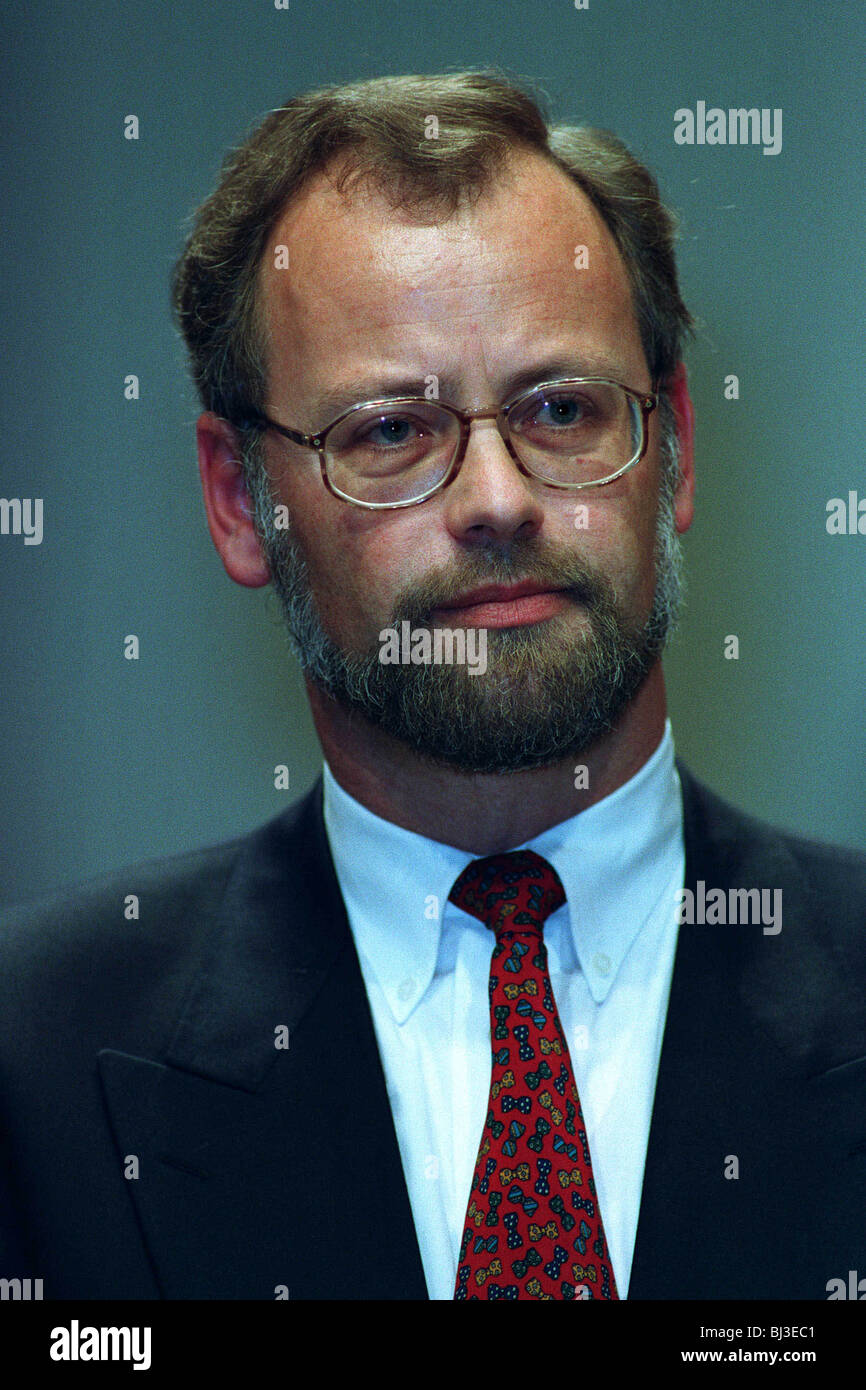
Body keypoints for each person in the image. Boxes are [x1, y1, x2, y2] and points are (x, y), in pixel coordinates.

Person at [2, 70, 864, 1302]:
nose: (500, 501)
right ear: (241, 502)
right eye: (391, 433)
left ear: (670, 446)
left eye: (561, 409)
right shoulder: (36, 1057)